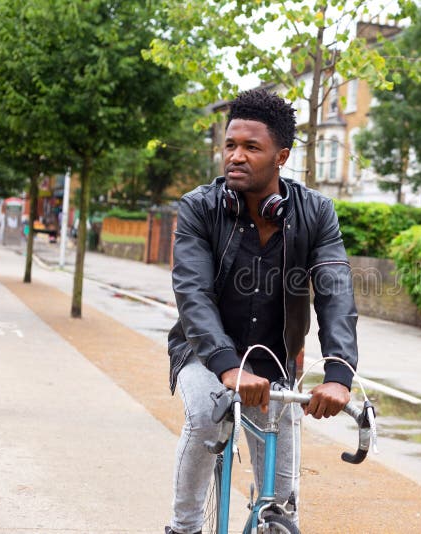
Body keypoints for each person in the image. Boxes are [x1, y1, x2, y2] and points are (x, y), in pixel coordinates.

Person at [165, 89, 358, 534]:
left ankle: (273, 520)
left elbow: (335, 292)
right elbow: (192, 291)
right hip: (205, 352)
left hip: (275, 358)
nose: (236, 155)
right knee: (204, 413)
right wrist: (227, 367)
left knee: (284, 497)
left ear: (281, 156)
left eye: (251, 147)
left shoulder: (317, 212)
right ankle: (184, 526)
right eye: (230, 145)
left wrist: (339, 373)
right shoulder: (199, 207)